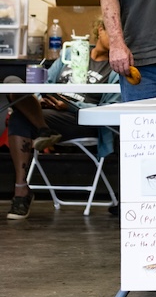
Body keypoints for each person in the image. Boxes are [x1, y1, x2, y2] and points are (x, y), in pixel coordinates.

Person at [6, 18, 120, 220]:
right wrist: (40, 101)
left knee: (18, 118)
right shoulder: (72, 53)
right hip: (49, 110)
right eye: (113, 31)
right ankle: (42, 131)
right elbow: (46, 82)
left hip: (81, 118)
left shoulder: (115, 66)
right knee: (12, 83)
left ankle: (22, 192)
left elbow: (108, 110)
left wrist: (71, 106)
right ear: (100, 29)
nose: (117, 38)